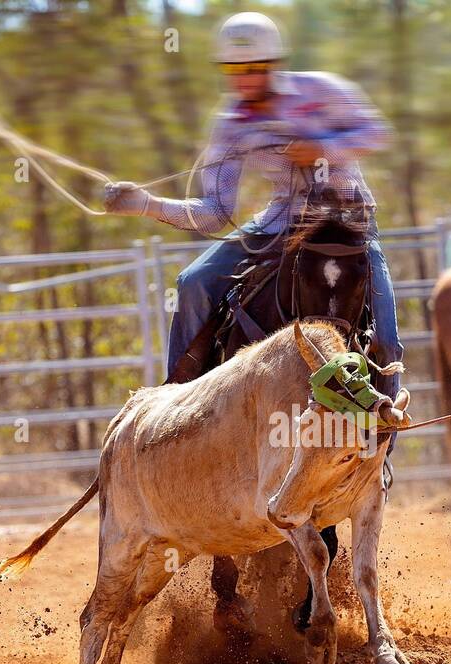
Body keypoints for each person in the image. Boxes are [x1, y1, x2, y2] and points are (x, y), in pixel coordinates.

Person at [101, 12, 402, 393]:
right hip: (279, 225)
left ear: (275, 65)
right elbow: (215, 213)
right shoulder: (230, 125)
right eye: (234, 70)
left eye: (256, 68)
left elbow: (377, 132)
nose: (244, 79)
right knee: (193, 281)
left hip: (348, 224)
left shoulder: (321, 90)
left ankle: (386, 433)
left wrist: (321, 148)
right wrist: (146, 204)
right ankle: (177, 394)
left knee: (387, 338)